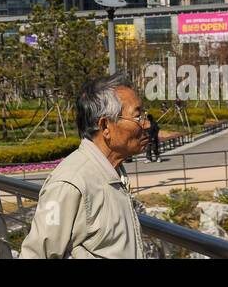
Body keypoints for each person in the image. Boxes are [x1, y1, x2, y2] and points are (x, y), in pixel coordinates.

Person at [20, 74, 146, 259]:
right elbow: (37, 254)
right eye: (138, 116)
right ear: (105, 126)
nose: (147, 123)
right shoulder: (71, 183)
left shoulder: (112, 171)